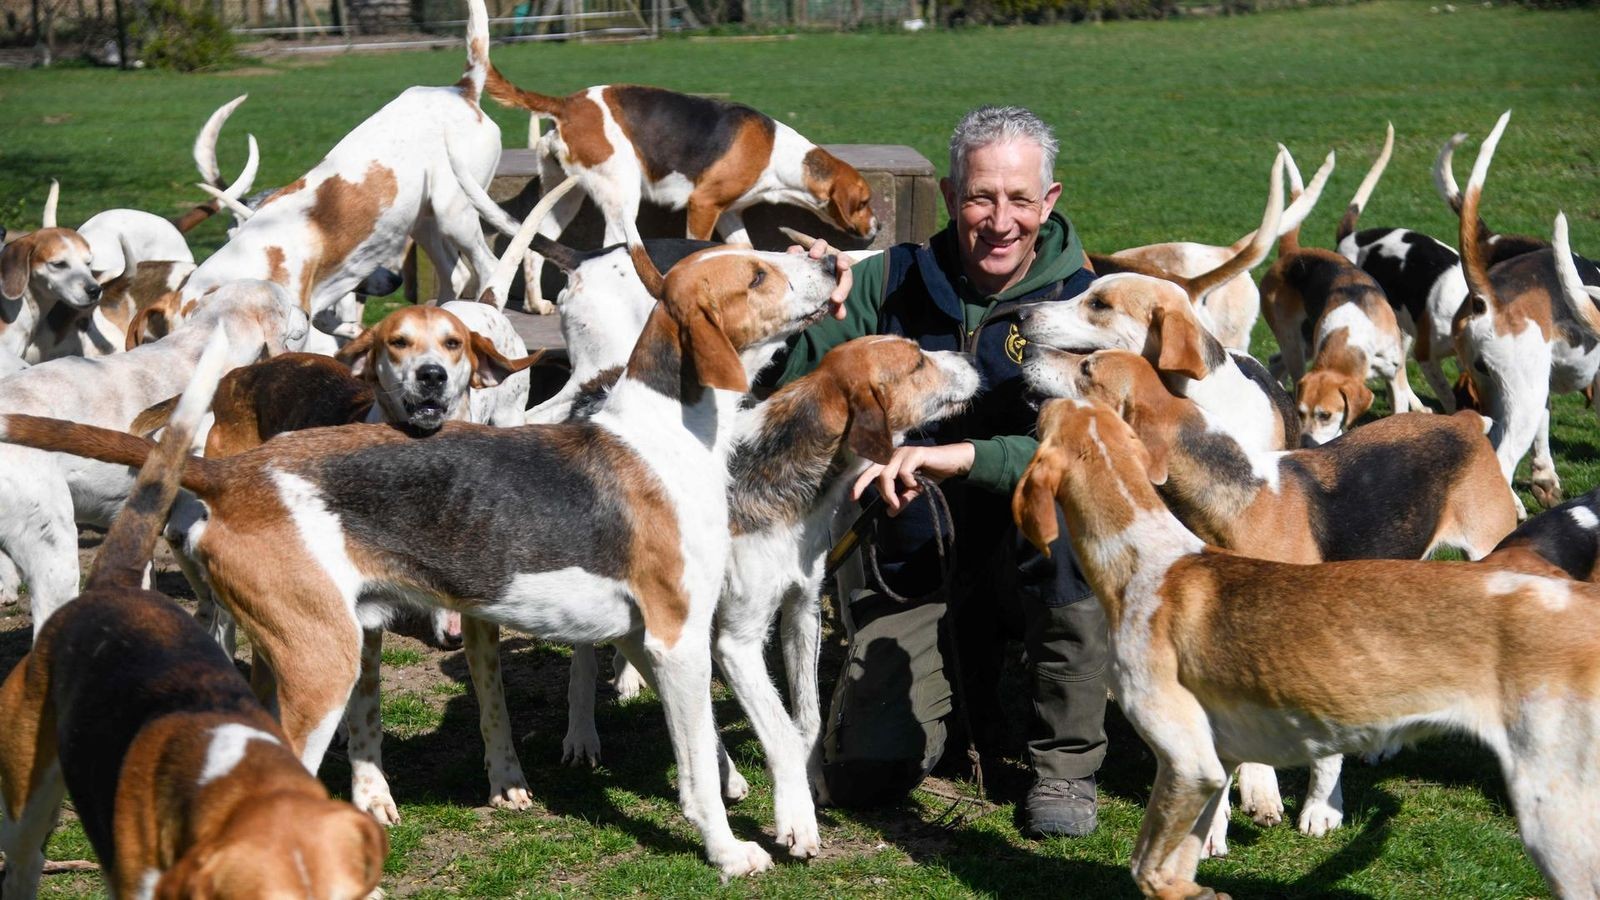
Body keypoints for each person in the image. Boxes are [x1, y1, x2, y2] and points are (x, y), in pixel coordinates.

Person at [777, 106, 1109, 838]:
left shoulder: (1086, 304)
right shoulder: (888, 281)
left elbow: (1087, 447)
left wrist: (964, 457)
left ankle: (1066, 763)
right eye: (980, 198)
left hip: (1035, 556)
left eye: (1020, 199)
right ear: (952, 196)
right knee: (868, 772)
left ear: (1050, 201)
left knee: (1068, 520)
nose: (1000, 221)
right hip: (912, 556)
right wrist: (802, 306)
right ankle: (952, 697)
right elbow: (790, 396)